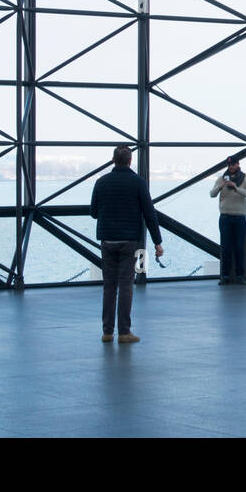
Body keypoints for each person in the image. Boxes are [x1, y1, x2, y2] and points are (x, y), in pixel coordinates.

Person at [89, 144, 164, 343]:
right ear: (130, 161)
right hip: (129, 241)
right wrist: (157, 242)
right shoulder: (138, 183)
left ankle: (107, 332)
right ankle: (124, 332)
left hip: (107, 239)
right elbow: (149, 214)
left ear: (113, 160)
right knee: (126, 286)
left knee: (109, 287)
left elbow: (94, 212)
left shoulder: (101, 182)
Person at [210, 154, 246, 284]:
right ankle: (225, 276)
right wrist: (220, 186)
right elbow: (212, 194)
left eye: (232, 164)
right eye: (228, 165)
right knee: (226, 248)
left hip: (239, 217)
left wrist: (235, 187)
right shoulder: (221, 179)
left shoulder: (245, 179)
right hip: (225, 217)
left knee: (239, 247)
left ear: (238, 164)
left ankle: (240, 275)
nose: (230, 167)